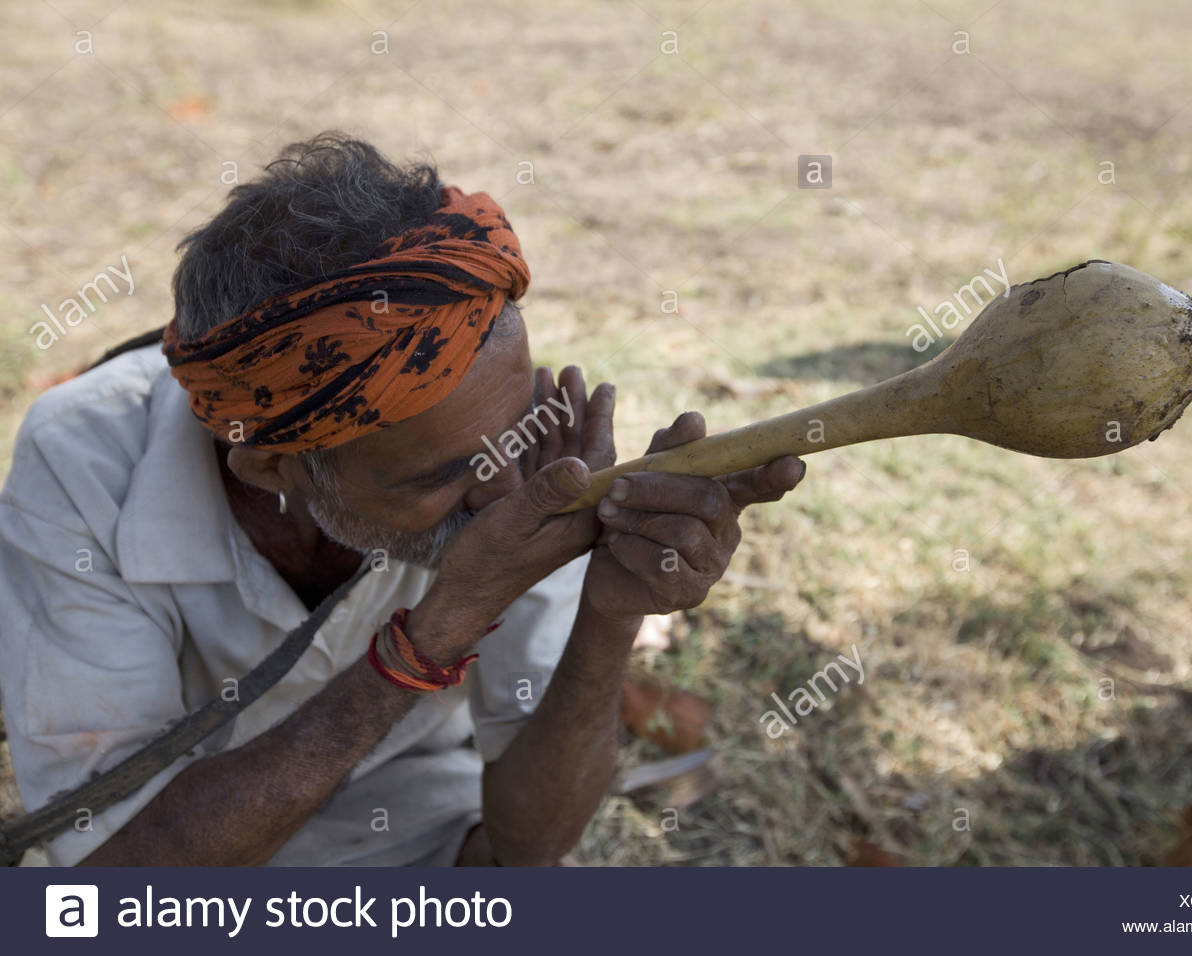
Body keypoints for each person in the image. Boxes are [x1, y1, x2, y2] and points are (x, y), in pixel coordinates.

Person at [0, 133, 805, 866]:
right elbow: (115, 886)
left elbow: (525, 855)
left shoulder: (508, 446)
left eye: (513, 431)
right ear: (274, 471)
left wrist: (609, 611)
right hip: (181, 832)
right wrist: (434, 636)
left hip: (402, 809)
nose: (499, 488)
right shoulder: (86, 461)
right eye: (442, 476)